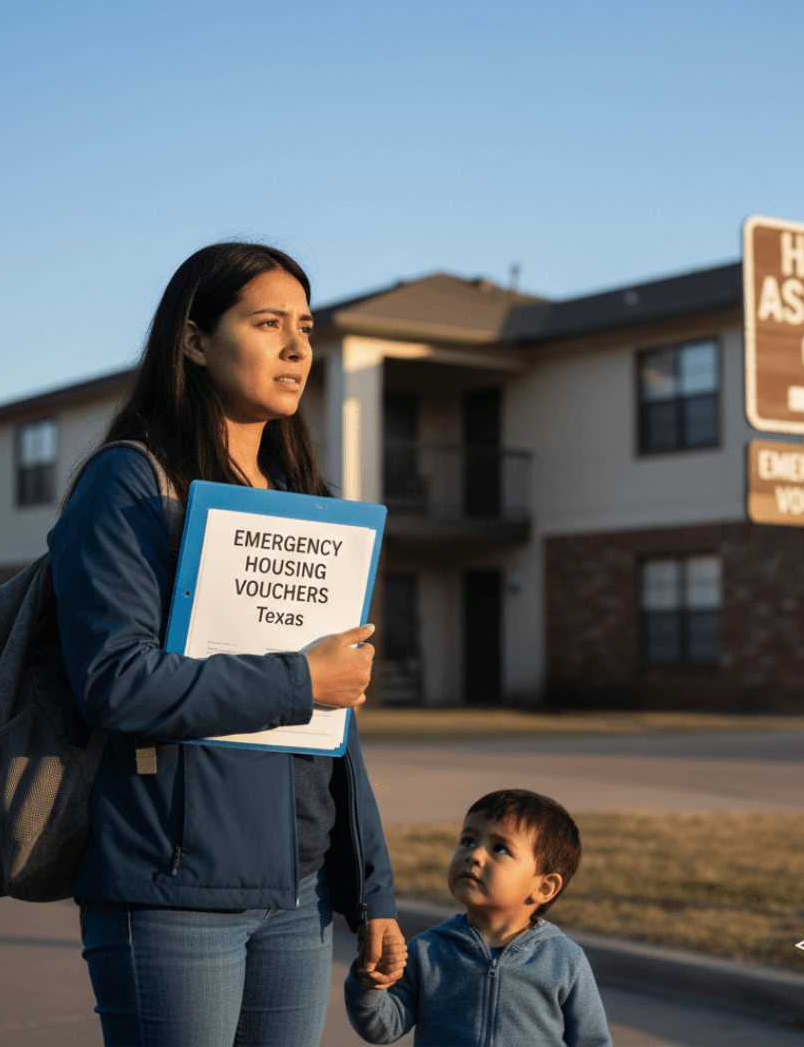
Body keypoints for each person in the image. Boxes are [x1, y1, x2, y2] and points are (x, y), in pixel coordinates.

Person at [49, 242, 407, 1047]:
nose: (296, 347)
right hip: (172, 888)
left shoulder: (309, 504)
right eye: (267, 322)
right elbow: (115, 681)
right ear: (195, 341)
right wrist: (300, 679)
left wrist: (371, 892)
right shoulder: (133, 483)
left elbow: (332, 728)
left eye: (306, 328)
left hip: (300, 892)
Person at [344, 788, 613, 1047]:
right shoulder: (428, 951)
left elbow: (592, 1041)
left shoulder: (564, 959)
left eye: (500, 848)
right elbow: (382, 1028)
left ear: (544, 887)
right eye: (468, 841)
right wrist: (367, 982)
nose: (474, 855)